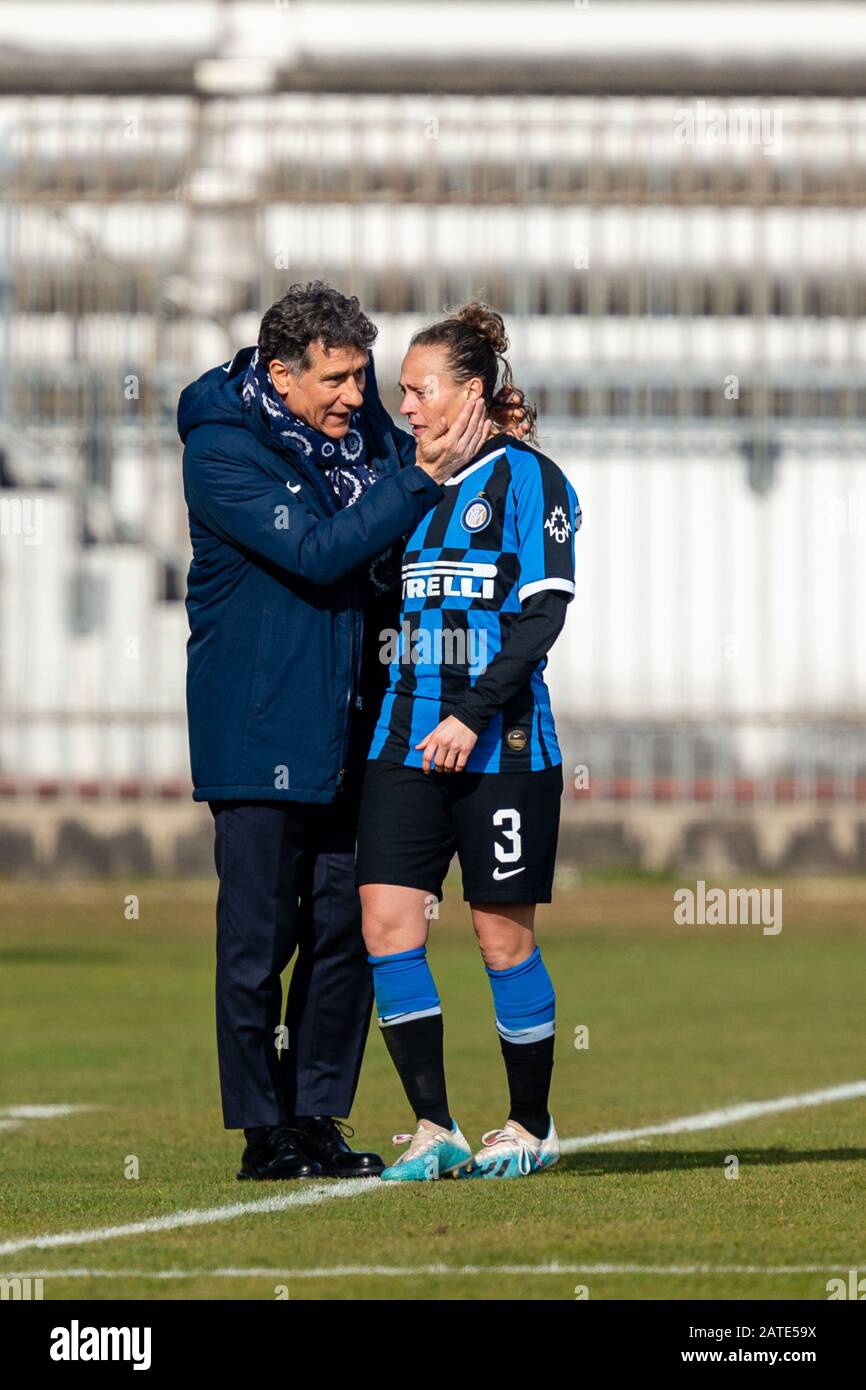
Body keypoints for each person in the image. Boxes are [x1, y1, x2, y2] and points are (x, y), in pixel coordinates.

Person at [177, 282, 490, 1181]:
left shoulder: (364, 437)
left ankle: (316, 1115)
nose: (360, 397)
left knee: (347, 931)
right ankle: (260, 1132)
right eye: (341, 379)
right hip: (259, 728)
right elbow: (319, 551)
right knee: (256, 943)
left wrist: (483, 424)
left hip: (360, 727)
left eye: (365, 377)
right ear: (280, 374)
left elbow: (424, 464)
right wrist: (421, 477)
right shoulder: (223, 453)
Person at [355, 301, 582, 1180]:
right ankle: (434, 1127)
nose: (405, 406)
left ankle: (530, 1127)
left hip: (504, 750)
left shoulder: (532, 481)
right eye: (401, 392)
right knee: (386, 925)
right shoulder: (403, 482)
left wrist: (471, 713)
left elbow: (542, 619)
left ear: (471, 391)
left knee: (500, 942)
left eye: (420, 390)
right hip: (402, 741)